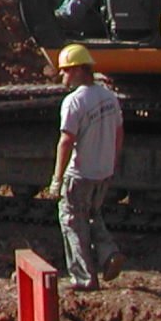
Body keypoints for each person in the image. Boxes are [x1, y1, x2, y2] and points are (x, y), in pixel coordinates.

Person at [40, 43, 124, 291]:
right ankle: (109, 253)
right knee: (93, 215)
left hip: (80, 174)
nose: (63, 76)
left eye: (65, 71)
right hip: (103, 173)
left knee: (72, 222)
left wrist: (56, 179)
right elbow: (119, 132)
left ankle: (84, 279)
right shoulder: (109, 97)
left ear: (77, 70)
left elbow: (66, 141)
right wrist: (112, 161)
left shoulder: (74, 102)